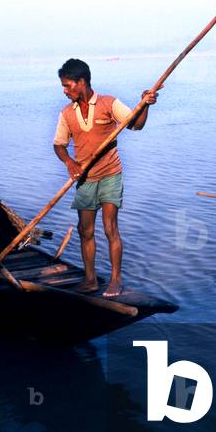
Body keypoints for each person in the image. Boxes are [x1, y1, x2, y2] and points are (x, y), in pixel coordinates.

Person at [53, 58, 160, 297]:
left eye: (68, 85)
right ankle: (90, 280)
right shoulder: (66, 113)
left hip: (111, 174)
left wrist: (146, 105)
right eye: (63, 86)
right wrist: (69, 162)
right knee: (85, 231)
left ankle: (115, 280)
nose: (64, 91)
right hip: (85, 179)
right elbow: (59, 145)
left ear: (81, 82)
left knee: (111, 228)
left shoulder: (108, 103)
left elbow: (136, 124)